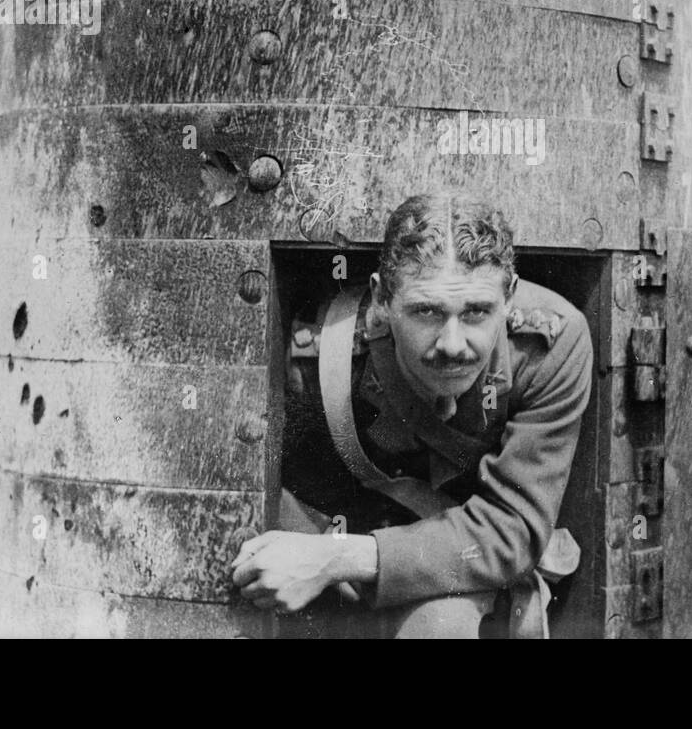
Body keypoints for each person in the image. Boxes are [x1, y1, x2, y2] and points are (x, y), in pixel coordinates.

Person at [231, 193, 593, 638]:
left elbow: (514, 528)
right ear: (382, 298)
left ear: (510, 295)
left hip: (457, 566)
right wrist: (316, 550)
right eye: (426, 311)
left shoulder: (549, 346)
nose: (454, 344)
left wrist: (341, 558)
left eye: (478, 312)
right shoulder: (324, 355)